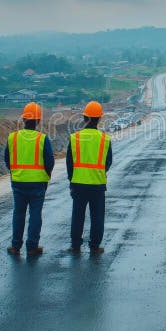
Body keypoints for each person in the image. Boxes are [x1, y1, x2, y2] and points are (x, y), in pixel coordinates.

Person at [4, 102, 54, 257]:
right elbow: (49, 162)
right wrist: (45, 176)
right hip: (38, 183)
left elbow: (7, 159)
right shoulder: (42, 139)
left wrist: (15, 173)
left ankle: (16, 246)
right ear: (38, 121)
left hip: (18, 182)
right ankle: (32, 246)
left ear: (24, 119)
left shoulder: (13, 137)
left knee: (18, 213)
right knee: (35, 214)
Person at [66, 100, 112, 254]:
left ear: (85, 118)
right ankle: (95, 246)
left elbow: (69, 163)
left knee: (77, 215)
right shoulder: (105, 139)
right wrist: (99, 171)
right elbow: (108, 162)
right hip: (97, 184)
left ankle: (75, 245)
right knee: (97, 216)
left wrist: (71, 181)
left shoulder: (75, 138)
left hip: (78, 183)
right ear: (99, 119)